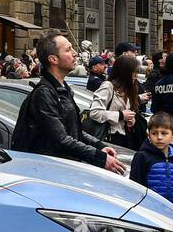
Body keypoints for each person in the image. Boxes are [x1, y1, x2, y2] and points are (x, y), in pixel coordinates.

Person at [11, 30, 127, 173]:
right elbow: (60, 139)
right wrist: (100, 158)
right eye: (68, 50)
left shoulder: (62, 88)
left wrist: (99, 146)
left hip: (65, 168)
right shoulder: (44, 93)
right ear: (53, 59)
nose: (75, 53)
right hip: (51, 172)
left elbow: (74, 131)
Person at [130, 113, 173, 215]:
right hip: (149, 213)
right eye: (154, 133)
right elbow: (135, 186)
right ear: (148, 134)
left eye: (164, 133)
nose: (159, 137)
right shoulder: (142, 157)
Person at [89, 53, 144, 148]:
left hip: (125, 137)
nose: (136, 76)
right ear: (125, 72)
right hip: (109, 138)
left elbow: (127, 114)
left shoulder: (128, 89)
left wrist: (131, 121)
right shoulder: (108, 86)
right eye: (134, 72)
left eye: (137, 72)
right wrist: (121, 115)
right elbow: (94, 112)